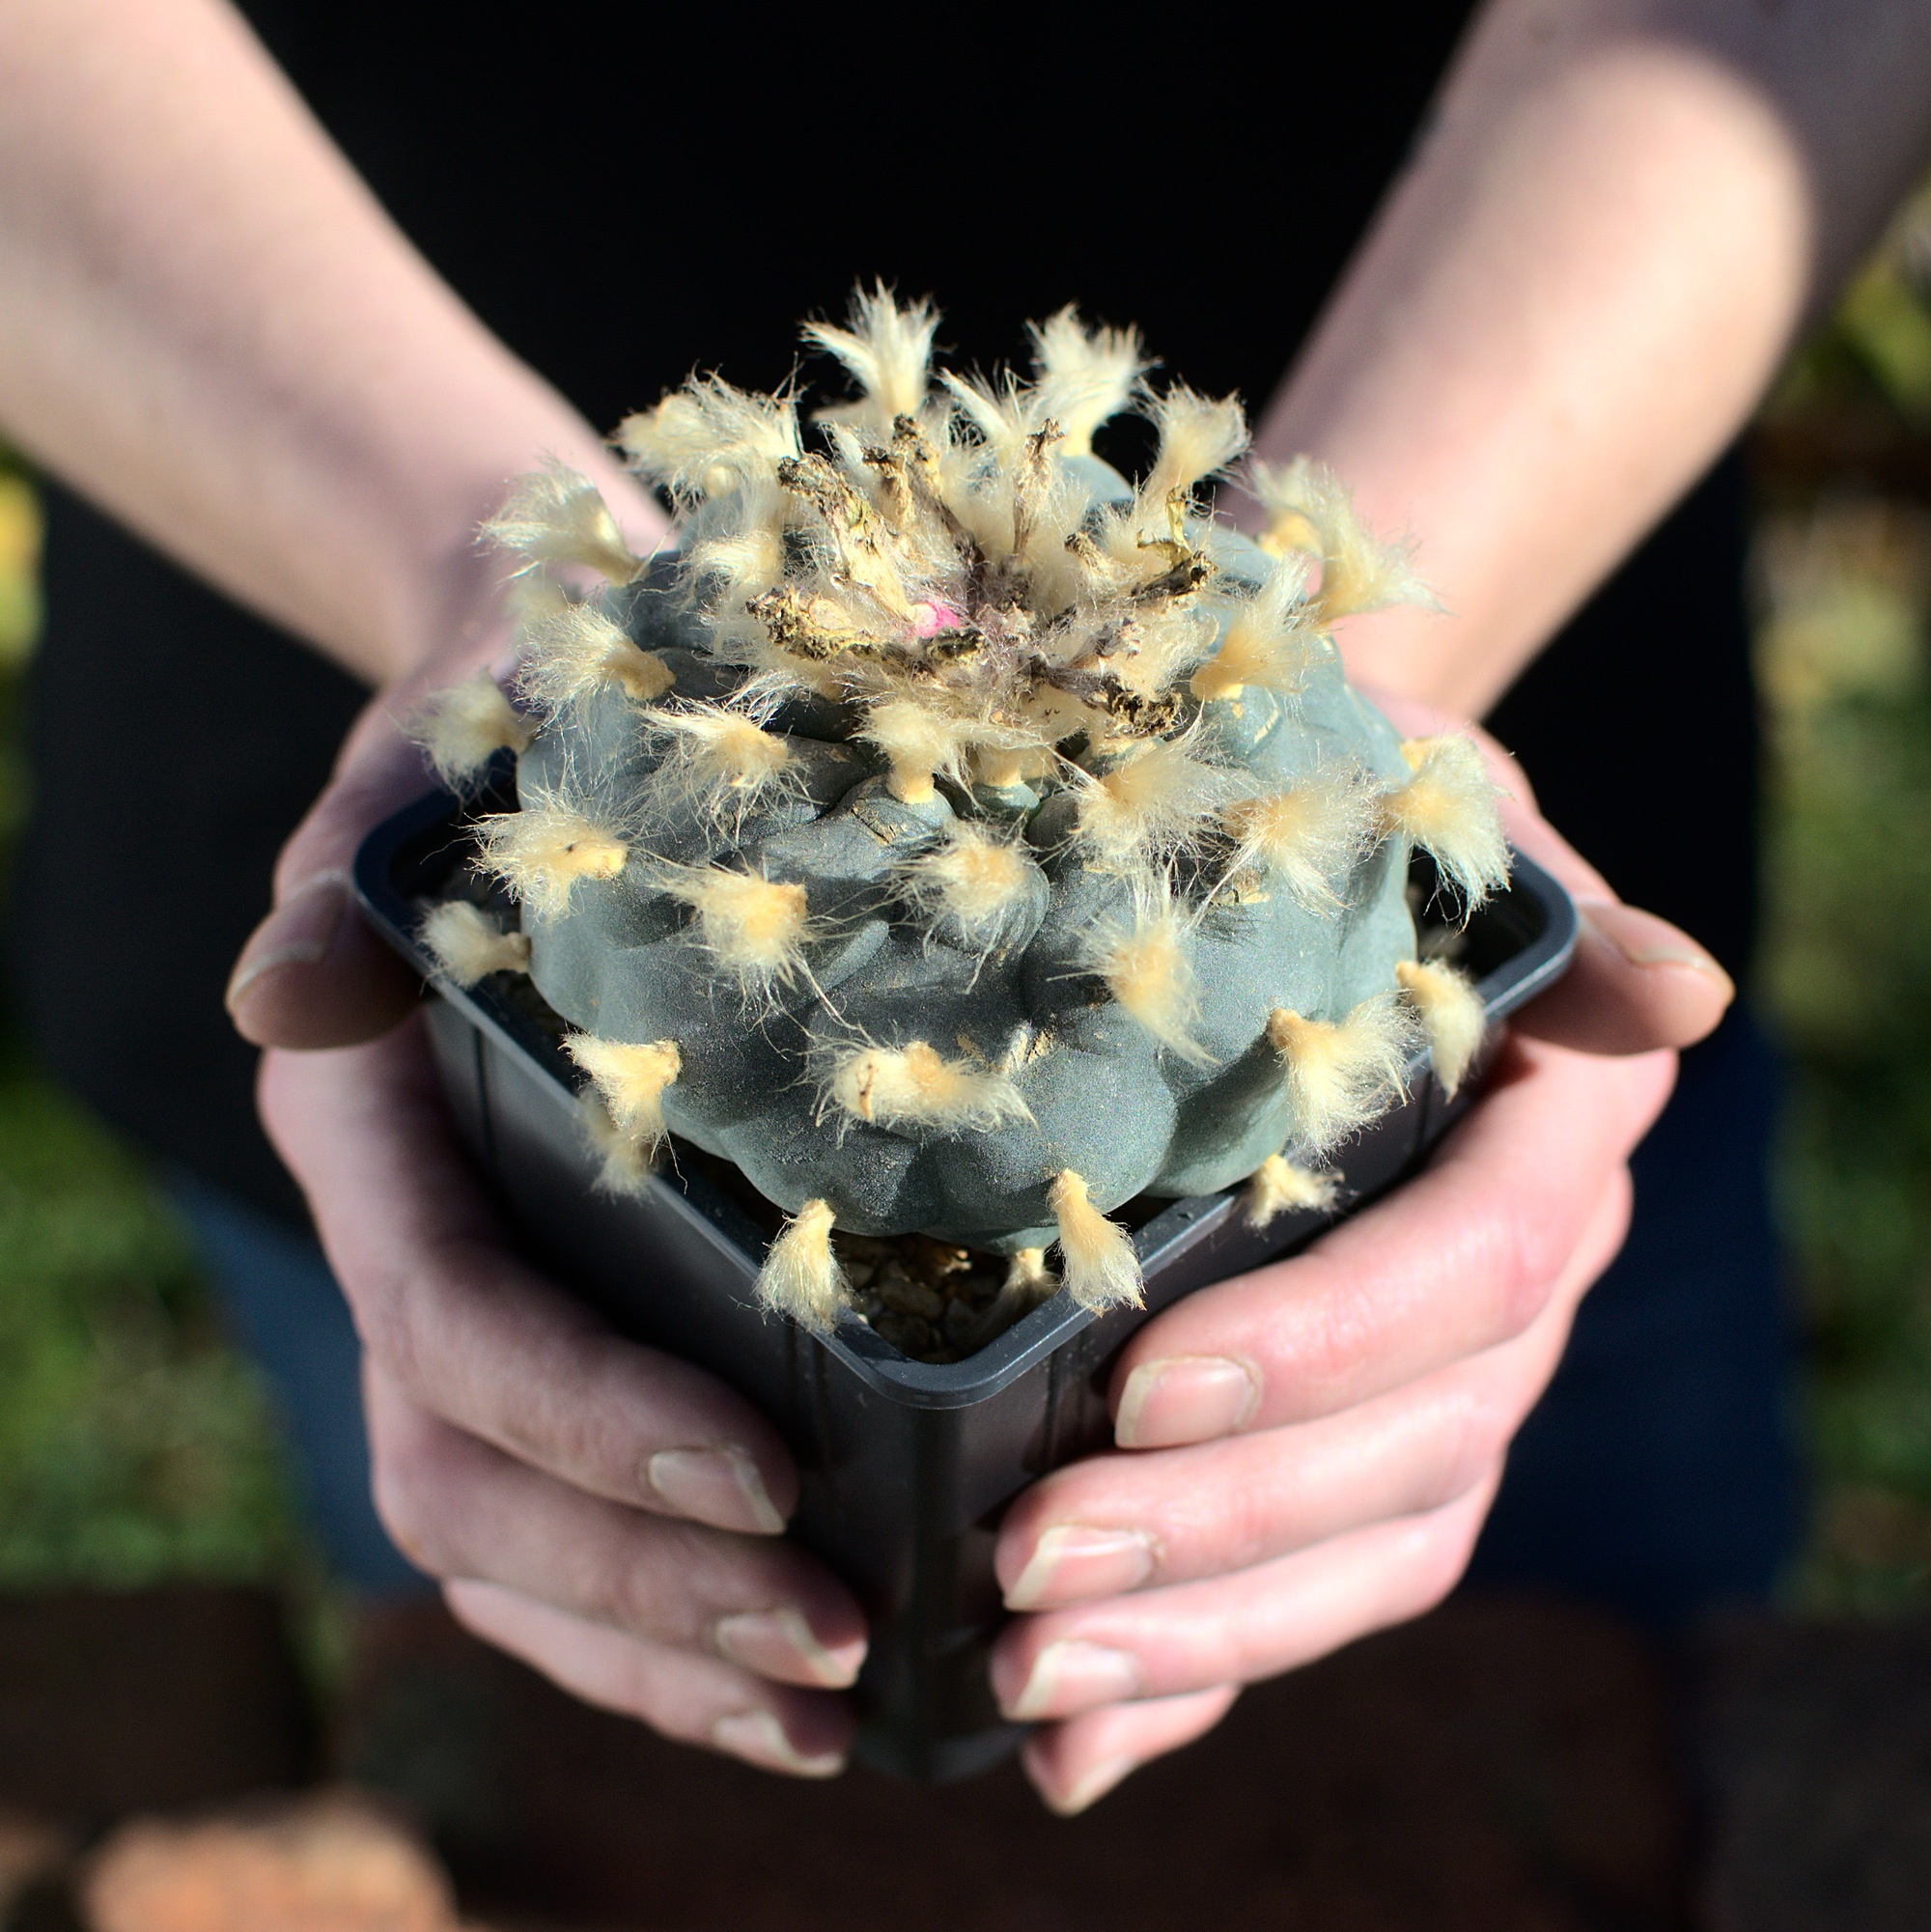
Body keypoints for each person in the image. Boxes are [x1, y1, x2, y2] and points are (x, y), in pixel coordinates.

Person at [3, 0, 1926, 1813]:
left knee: (1563, 1727)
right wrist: (457, 561)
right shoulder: (637, 758)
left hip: (1548, 468)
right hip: (251, 456)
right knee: (591, 1715)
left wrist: (1356, 646)